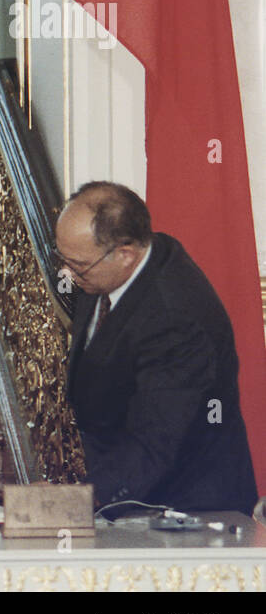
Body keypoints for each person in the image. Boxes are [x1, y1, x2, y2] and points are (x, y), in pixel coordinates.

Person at [55, 181, 257, 513]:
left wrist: (81, 500)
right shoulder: (111, 268)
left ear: (125, 255)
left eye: (77, 265)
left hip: (185, 510)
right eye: (63, 258)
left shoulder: (175, 318)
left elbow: (155, 441)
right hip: (137, 486)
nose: (67, 274)